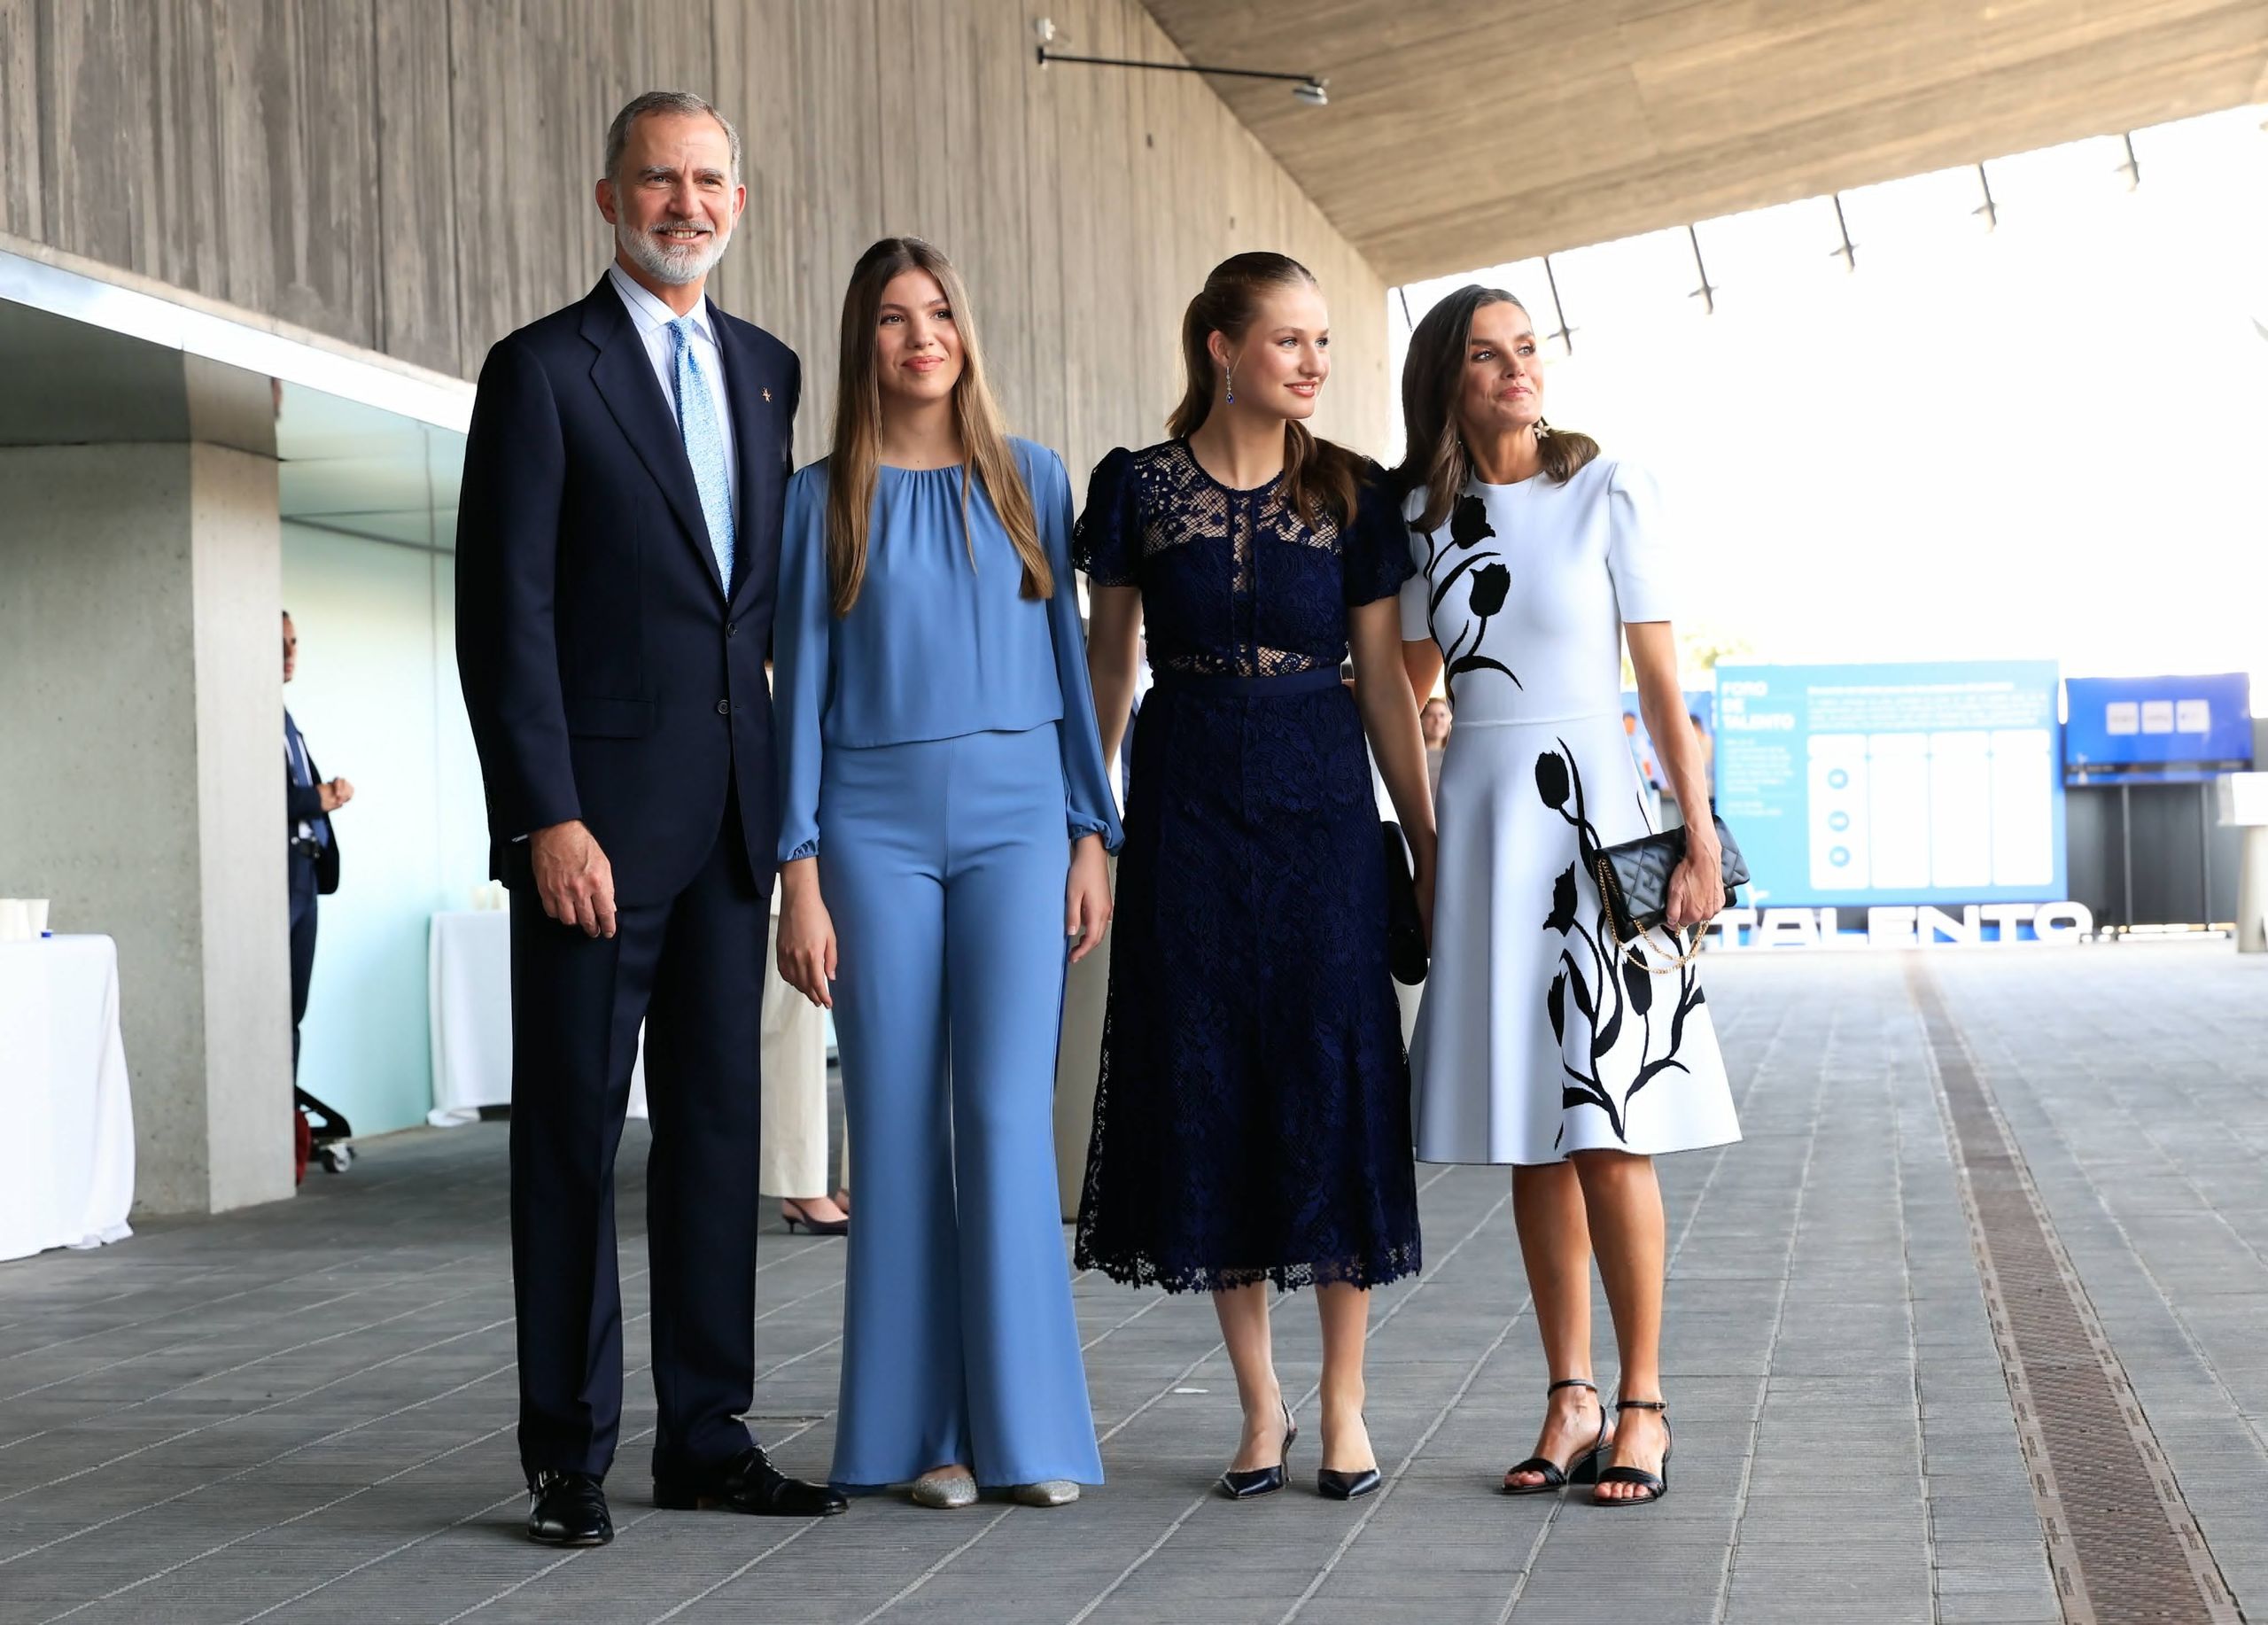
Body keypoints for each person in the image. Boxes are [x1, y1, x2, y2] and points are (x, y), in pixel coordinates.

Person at [454, 89, 844, 1548]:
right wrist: (546, 813)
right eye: (658, 180)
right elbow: (510, 619)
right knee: (566, 1138)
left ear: (738, 201)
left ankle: (707, 1431)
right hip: (593, 838)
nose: (687, 202)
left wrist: (794, 831)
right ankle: (567, 1450)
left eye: (710, 181)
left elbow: (755, 614)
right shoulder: (541, 372)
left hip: (732, 824)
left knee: (716, 1132)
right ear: (607, 197)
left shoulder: (766, 371)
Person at [1074, 252, 1433, 1503]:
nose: (1315, 362)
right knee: (1206, 1077)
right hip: (1183, 810)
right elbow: (1107, 674)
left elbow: (1386, 683)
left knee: (1330, 1075)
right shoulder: (1136, 488)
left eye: (1324, 342)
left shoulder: (1355, 495)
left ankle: (1344, 1400)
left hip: (1323, 807)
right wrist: (1088, 825)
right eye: (1290, 339)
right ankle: (1260, 1401)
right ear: (1222, 347)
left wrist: (1426, 842)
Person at [773, 237, 1120, 1511]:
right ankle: (922, 1437)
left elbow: (1075, 676)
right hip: (871, 825)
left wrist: (1094, 829)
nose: (922, 337)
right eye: (892, 319)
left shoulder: (1033, 479)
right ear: (863, 340)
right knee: (899, 1121)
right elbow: (795, 692)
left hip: (1025, 820)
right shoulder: (822, 498)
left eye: (939, 315)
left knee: (1004, 1117)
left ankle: (1026, 1434)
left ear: (965, 331)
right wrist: (796, 869)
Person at [1394, 285, 1741, 1509]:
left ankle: (1642, 1400)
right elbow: (1416, 668)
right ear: (1447, 377)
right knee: (1533, 1137)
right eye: (1486, 356)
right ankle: (1568, 1391)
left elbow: (1659, 677)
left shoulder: (1606, 490)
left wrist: (1697, 836)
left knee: (1609, 1127)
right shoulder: (1420, 520)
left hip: (1596, 817)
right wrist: (1427, 728)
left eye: (1527, 349)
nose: (1515, 371)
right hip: (1487, 820)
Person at [281, 611, 349, 1084]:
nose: (288, 654)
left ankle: (288, 1128)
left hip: (306, 870)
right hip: (274, 873)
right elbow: (256, 793)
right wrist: (319, 797)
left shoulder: (284, 718)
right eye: (277, 643)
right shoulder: (247, 715)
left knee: (292, 1008)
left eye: (294, 643)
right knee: (269, 1008)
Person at [1420, 694, 1452, 799]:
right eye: (1431, 715)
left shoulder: (1456, 757)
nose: (1437, 721)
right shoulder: (1412, 759)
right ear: (1421, 720)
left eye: (1442, 715)